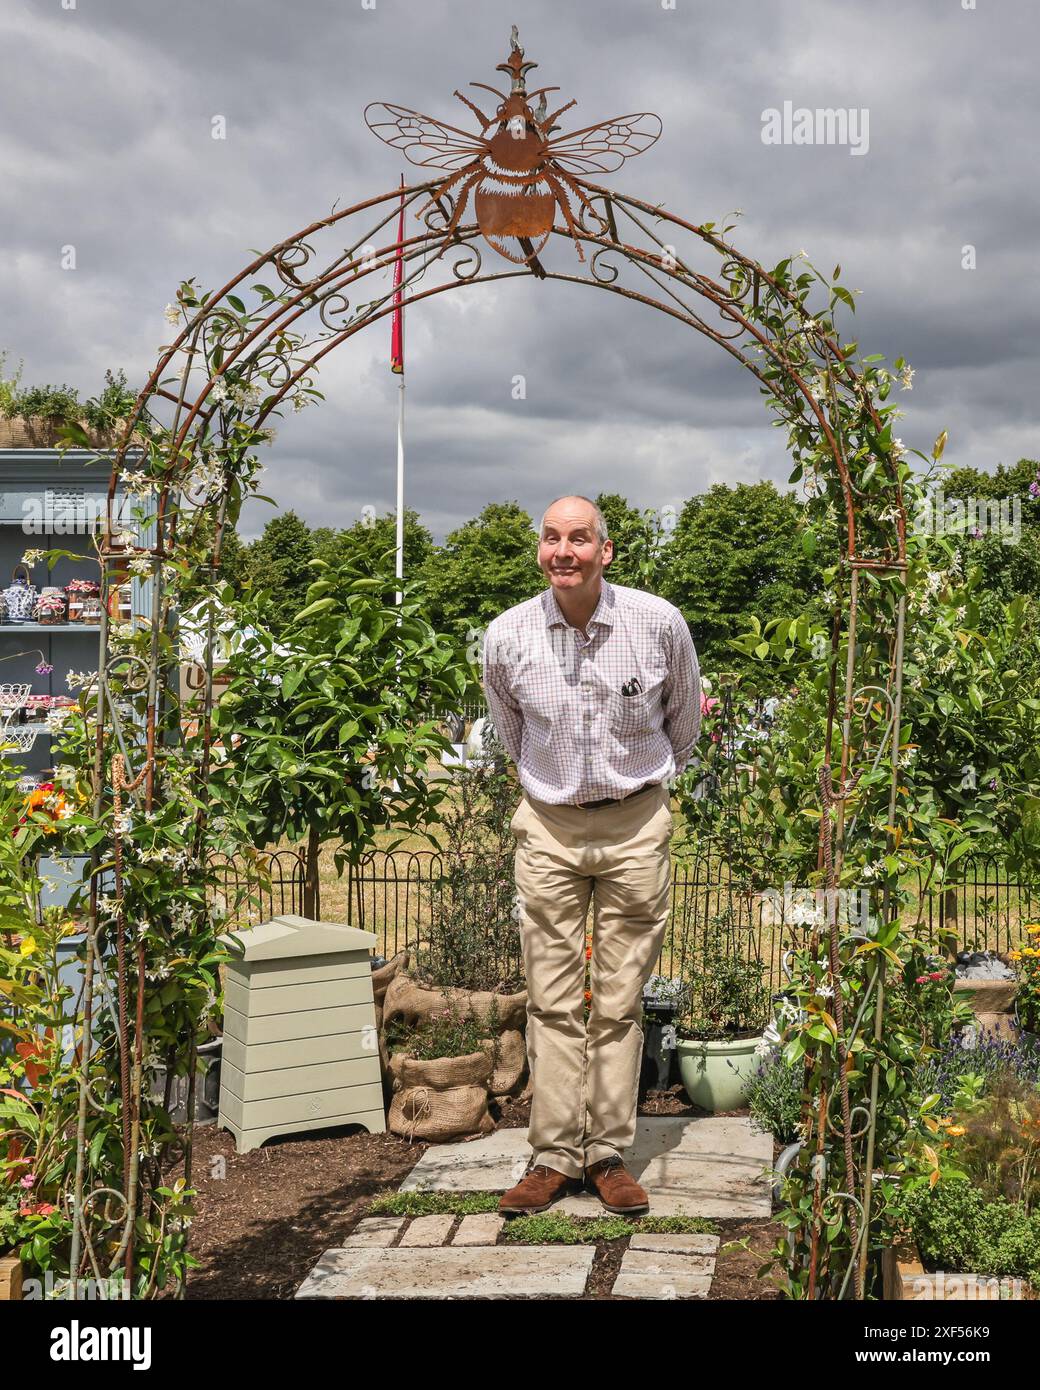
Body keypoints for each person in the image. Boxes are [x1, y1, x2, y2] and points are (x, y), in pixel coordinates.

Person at [482, 495, 701, 1216]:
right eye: (551, 538)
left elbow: (683, 724)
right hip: (547, 826)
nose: (564, 551)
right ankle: (551, 1158)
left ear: (605, 551)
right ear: (540, 551)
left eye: (579, 538)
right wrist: (555, 792)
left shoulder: (657, 624)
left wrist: (636, 794)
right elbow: (507, 731)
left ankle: (607, 1154)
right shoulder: (508, 635)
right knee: (548, 997)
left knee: (617, 998)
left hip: (636, 823)